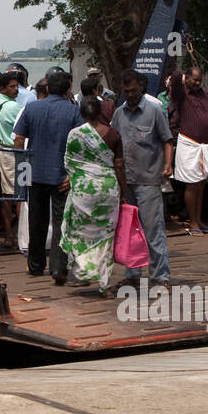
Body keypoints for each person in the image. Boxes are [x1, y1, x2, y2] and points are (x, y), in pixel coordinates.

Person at [12, 70, 82, 282]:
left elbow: (18, 139)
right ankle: (58, 268)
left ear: (48, 88)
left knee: (36, 220)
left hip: (34, 173)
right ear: (68, 90)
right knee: (61, 223)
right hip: (62, 176)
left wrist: (22, 168)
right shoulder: (72, 112)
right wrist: (74, 174)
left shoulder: (32, 107)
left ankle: (35, 265)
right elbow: (81, 145)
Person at [111, 70, 175, 288]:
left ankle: (160, 277)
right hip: (125, 183)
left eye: (134, 90)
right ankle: (132, 275)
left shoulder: (155, 110)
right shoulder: (119, 114)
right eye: (126, 91)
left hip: (149, 180)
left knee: (152, 231)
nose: (130, 94)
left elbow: (167, 140)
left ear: (141, 88)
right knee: (129, 231)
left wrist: (168, 164)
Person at [62, 98, 129, 292]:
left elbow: (69, 163)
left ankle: (81, 271)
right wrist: (123, 192)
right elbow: (119, 167)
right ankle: (104, 283)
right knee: (105, 236)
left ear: (81, 114)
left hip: (83, 192)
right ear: (100, 112)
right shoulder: (114, 135)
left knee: (80, 234)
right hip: (108, 191)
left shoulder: (75, 135)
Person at [166, 67, 208, 236]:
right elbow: (175, 77)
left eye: (200, 80)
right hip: (189, 145)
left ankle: (199, 220)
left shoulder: (205, 96)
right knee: (192, 185)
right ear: (186, 79)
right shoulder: (181, 95)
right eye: (194, 79)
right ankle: (193, 222)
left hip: (205, 146)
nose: (197, 83)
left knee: (201, 184)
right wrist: (181, 71)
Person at [0, 71, 25, 249]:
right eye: (12, 87)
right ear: (3, 88)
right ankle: (21, 236)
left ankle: (9, 236)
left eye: (16, 86)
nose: (16, 90)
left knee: (7, 195)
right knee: (21, 196)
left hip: (5, 152)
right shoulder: (13, 107)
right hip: (15, 153)